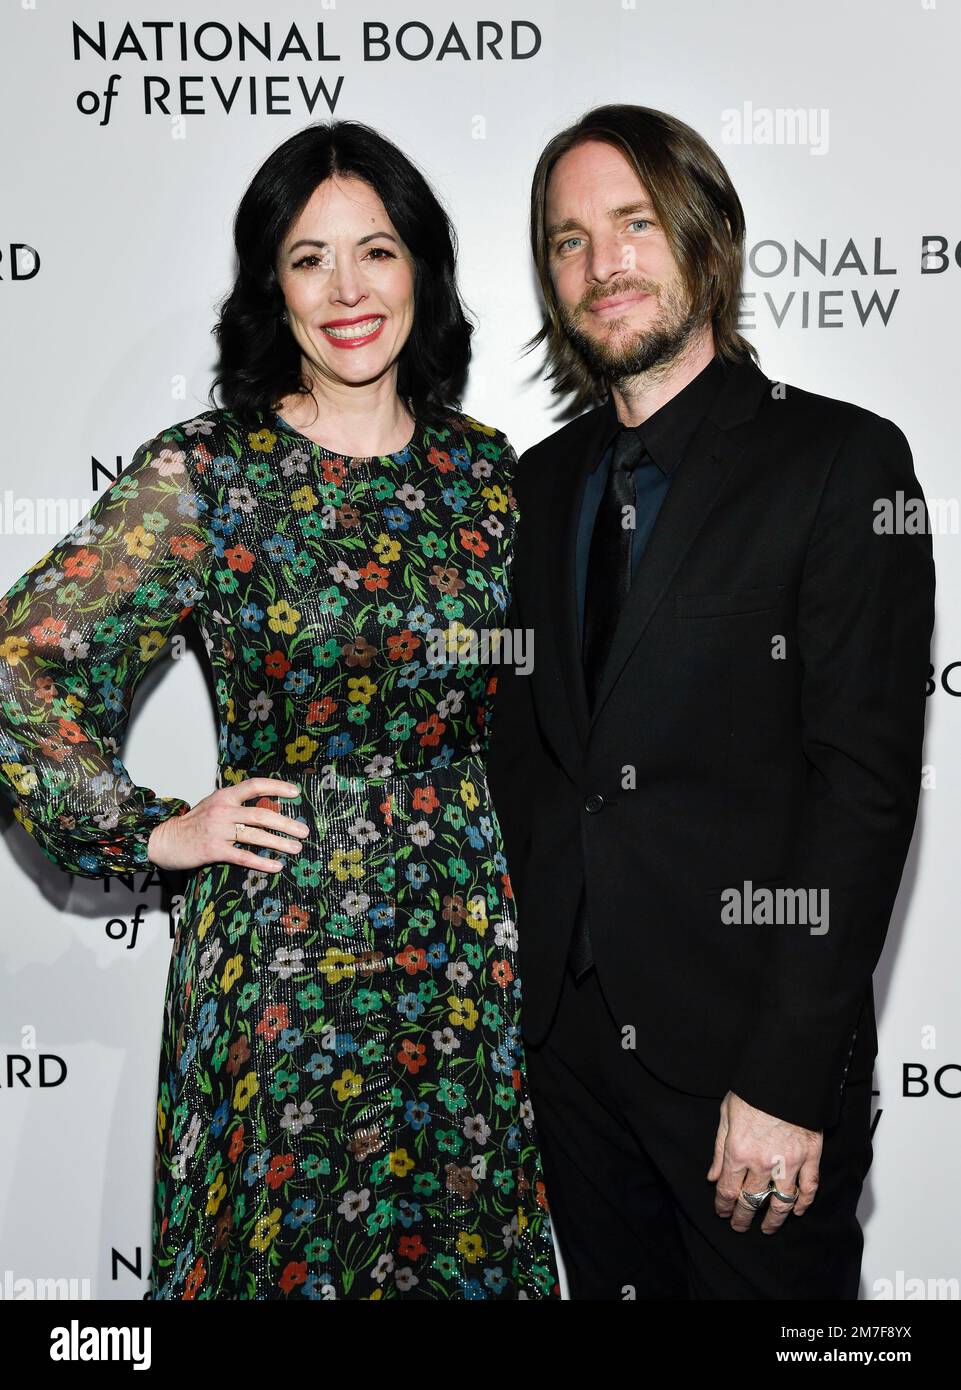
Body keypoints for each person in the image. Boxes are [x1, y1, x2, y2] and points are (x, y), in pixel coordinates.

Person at [0, 120, 560, 1302]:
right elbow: (22, 666)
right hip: (284, 970)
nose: (348, 290)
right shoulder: (209, 473)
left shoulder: (490, 477)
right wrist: (150, 828)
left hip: (465, 959)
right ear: (272, 284)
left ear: (423, 270)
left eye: (377, 251)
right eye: (309, 259)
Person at [487, 103, 935, 1299]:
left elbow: (864, 795)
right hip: (569, 1062)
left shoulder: (840, 466)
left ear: (707, 238)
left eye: (634, 223)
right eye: (569, 239)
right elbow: (530, 768)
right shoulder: (536, 488)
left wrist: (788, 1079)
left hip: (749, 1068)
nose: (603, 263)